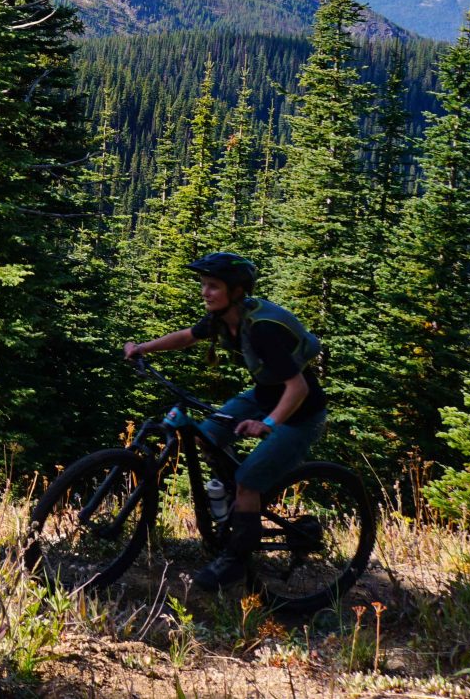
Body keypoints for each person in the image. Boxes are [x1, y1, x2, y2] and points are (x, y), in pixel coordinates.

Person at [122, 251, 328, 590]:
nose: (205, 292)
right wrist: (142, 348)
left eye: (213, 286)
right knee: (204, 436)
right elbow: (187, 336)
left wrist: (269, 424)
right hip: (262, 397)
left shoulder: (262, 330)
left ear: (236, 291)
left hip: (299, 414)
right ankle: (233, 503)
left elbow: (298, 386)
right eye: (204, 285)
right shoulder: (222, 318)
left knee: (248, 481)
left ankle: (235, 558)